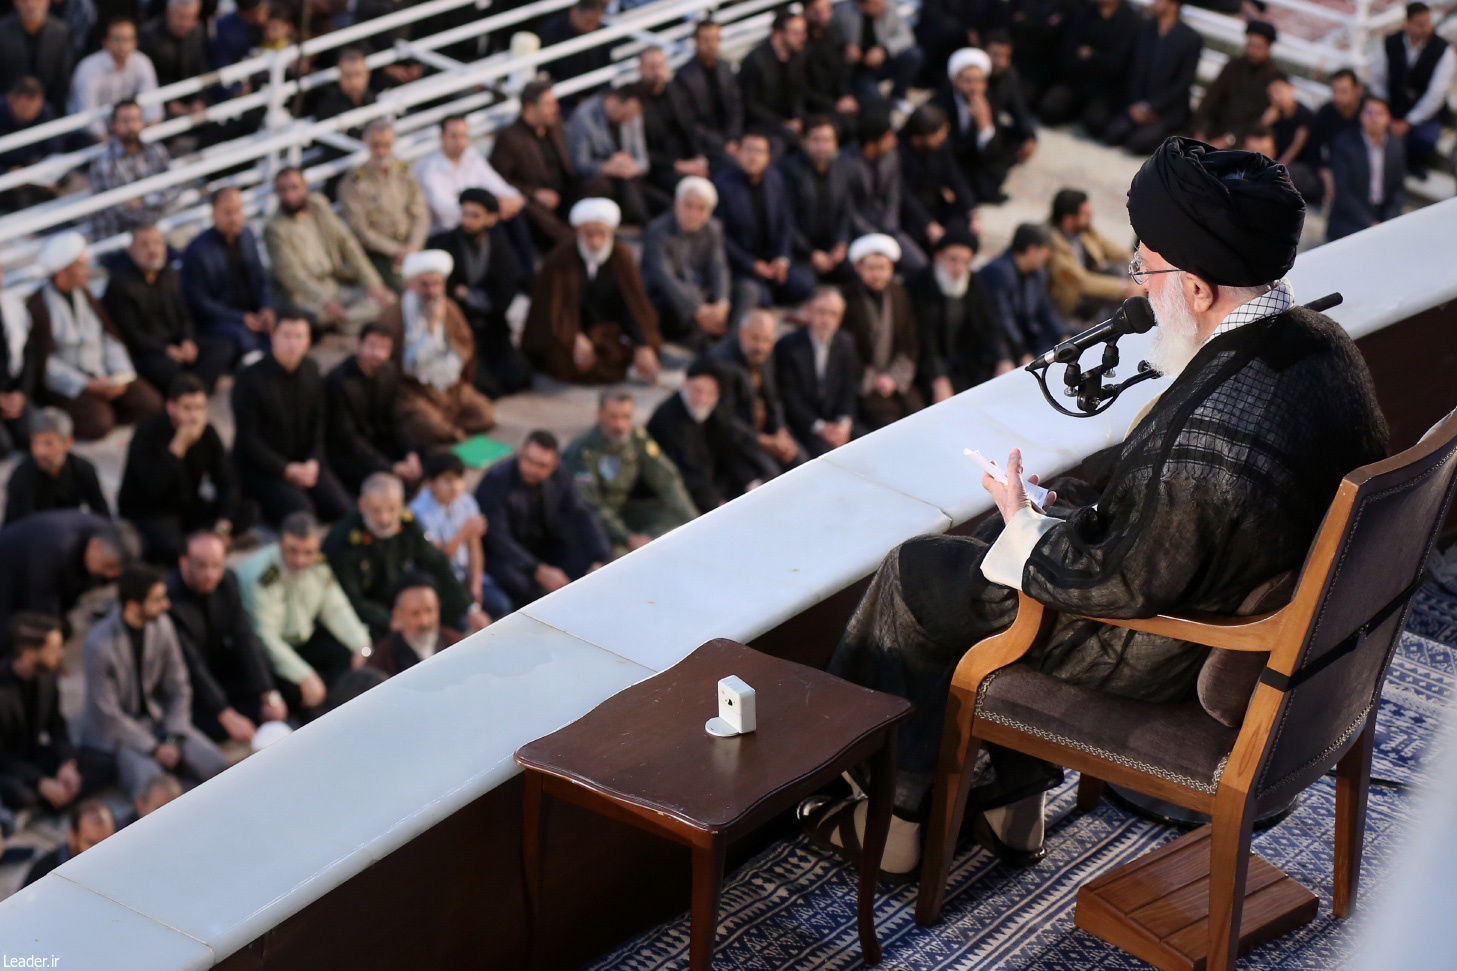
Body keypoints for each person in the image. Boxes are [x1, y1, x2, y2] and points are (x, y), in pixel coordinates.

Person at [801, 136, 1387, 876]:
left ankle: (895, 816)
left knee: (916, 573)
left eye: (1145, 266)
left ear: (1198, 290)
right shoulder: (1326, 347)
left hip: (1165, 651)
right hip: (1267, 624)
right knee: (1002, 533)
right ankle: (1009, 802)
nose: (1137, 283)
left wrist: (1027, 524)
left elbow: (1119, 583)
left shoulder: (1206, 437)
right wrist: (1045, 514)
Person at [79, 564, 228, 799]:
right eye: (157, 599)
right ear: (133, 605)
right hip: (122, 735)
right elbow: (107, 712)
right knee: (154, 790)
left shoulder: (163, 626)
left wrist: (173, 738)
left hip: (161, 721)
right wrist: (154, 747)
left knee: (217, 766)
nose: (166, 605)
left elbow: (179, 686)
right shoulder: (99, 644)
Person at [28, 232, 163, 441]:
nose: (88, 271)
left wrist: (120, 374)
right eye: (82, 265)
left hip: (104, 373)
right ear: (64, 271)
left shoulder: (85, 294)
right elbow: (45, 363)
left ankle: (107, 406)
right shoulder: (39, 306)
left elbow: (108, 338)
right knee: (99, 422)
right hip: (71, 386)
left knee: (150, 403)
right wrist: (87, 384)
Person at [236, 512, 373, 718]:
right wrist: (304, 675)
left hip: (301, 640)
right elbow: (266, 638)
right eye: (292, 551)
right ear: (280, 543)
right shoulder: (263, 575)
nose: (300, 560)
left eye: (308, 552)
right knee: (301, 691)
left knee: (348, 658)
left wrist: (360, 644)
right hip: (264, 653)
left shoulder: (318, 565)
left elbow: (336, 609)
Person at [324, 473, 486, 638]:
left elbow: (436, 563)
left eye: (392, 509)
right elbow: (350, 598)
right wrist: (391, 621)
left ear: (401, 504)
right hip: (368, 616)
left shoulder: (407, 523)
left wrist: (470, 608)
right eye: (376, 510)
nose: (385, 518)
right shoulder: (343, 541)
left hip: (401, 603)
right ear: (362, 505)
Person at [522, 198, 663, 385]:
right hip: (568, 332)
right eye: (589, 235)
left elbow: (634, 305)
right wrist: (574, 337)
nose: (595, 242)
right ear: (579, 232)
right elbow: (550, 310)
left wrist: (642, 344)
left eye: (601, 234)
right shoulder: (561, 257)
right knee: (565, 360)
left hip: (607, 330)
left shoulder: (621, 256)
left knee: (621, 353)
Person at [230, 315, 352, 526]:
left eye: (299, 336)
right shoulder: (249, 378)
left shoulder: (312, 370)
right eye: (286, 336)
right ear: (273, 337)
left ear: (308, 340)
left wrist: (313, 461)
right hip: (264, 468)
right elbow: (247, 439)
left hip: (304, 462)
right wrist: (286, 469)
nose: (292, 343)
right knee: (302, 515)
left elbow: (319, 424)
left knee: (340, 508)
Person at [167, 531, 285, 744]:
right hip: (191, 686)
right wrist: (224, 712)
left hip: (221, 671)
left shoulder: (227, 581)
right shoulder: (170, 599)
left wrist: (268, 693)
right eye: (201, 566)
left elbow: (245, 638)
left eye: (216, 566)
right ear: (184, 563)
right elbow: (191, 664)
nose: (210, 574)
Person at [119, 375, 250, 562]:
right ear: (171, 407)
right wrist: (178, 446)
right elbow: (152, 488)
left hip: (186, 505)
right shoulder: (147, 434)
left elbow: (226, 481)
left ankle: (210, 540)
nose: (194, 416)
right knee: (170, 546)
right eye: (187, 408)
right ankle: (202, 546)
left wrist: (222, 525)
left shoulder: (207, 432)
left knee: (248, 509)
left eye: (200, 408)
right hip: (150, 511)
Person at [475, 431, 609, 606]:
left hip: (542, 545)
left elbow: (580, 513)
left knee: (584, 559)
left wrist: (601, 557)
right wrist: (537, 569)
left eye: (541, 465)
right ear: (521, 453)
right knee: (520, 584)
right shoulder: (496, 481)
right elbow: (497, 538)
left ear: (553, 465)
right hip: (506, 555)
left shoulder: (559, 474)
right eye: (528, 460)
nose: (532, 469)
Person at [380, 250, 496, 447]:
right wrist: (431, 329)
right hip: (413, 390)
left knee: (485, 414)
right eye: (425, 285)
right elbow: (405, 365)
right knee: (430, 428)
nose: (432, 291)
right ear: (411, 285)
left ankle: (446, 425)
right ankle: (446, 431)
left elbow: (465, 344)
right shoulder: (394, 314)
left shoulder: (449, 308)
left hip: (450, 387)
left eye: (437, 284)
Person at [427, 188, 532, 398]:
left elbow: (506, 287)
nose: (467, 221)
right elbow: (447, 290)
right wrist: (472, 296)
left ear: (491, 219)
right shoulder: (445, 244)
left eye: (475, 216)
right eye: (465, 214)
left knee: (519, 377)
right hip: (460, 324)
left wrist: (469, 294)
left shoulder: (499, 245)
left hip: (492, 323)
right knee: (483, 385)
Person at [565, 391, 698, 556]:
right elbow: (590, 506)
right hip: (594, 525)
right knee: (619, 557)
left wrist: (695, 521)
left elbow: (666, 479)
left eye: (626, 417)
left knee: (675, 517)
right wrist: (627, 537)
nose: (620, 425)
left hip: (624, 511)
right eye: (613, 417)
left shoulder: (637, 439)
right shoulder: (582, 451)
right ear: (599, 415)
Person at [264, 167, 395, 335]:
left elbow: (347, 243)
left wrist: (373, 284)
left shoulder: (318, 206)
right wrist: (324, 300)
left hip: (335, 284)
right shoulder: (274, 228)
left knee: (386, 300)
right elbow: (292, 276)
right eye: (283, 190)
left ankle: (347, 320)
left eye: (294, 187)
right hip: (306, 296)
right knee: (320, 316)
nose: (289, 195)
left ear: (305, 186)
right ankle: (348, 321)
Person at [103, 224, 231, 394]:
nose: (152, 250)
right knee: (166, 368)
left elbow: (184, 315)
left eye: (157, 243)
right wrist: (166, 350)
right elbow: (132, 334)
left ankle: (193, 393)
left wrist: (187, 341)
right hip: (148, 352)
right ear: (132, 250)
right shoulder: (119, 283)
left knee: (222, 348)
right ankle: (187, 395)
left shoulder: (169, 274)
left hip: (177, 344)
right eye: (144, 245)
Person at [647, 359, 777, 513]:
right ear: (685, 385)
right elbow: (686, 474)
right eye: (697, 391)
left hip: (713, 484)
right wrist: (717, 504)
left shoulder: (713, 411)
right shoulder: (668, 419)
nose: (702, 399)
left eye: (709, 394)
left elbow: (730, 450)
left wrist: (750, 481)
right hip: (682, 494)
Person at [0, 614, 93, 814]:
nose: (61, 654)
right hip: (7, 764)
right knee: (21, 794)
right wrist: (40, 782)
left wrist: (67, 764)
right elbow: (3, 757)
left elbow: (57, 725)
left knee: (93, 762)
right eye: (53, 649)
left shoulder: (48, 675)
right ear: (28, 654)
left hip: (33, 753)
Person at [910, 228, 1016, 402]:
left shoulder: (974, 282)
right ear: (938, 257)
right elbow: (923, 339)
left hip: (967, 367)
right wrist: (938, 377)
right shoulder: (919, 285)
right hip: (929, 370)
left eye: (965, 262)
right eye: (953, 260)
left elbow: (991, 325)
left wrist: (1003, 358)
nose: (959, 268)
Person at [713, 131, 815, 311]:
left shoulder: (775, 179)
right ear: (738, 153)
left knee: (805, 284)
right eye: (748, 150)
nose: (753, 157)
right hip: (741, 264)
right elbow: (720, 237)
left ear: (767, 157)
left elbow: (785, 223)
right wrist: (751, 264)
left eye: (759, 151)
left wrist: (782, 258)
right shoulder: (722, 185)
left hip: (773, 260)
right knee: (761, 297)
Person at [410, 452, 512, 621]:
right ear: (430, 483)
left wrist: (476, 585)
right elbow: (438, 560)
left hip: (466, 575)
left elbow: (475, 547)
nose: (456, 486)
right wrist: (463, 533)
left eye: (459, 479)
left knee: (501, 605)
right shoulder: (418, 512)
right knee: (465, 623)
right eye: (448, 480)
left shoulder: (465, 501)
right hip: (441, 583)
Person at [181, 187, 277, 366]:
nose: (234, 218)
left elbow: (261, 279)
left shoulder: (247, 235)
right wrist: (241, 318)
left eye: (238, 211)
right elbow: (200, 303)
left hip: (252, 313)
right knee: (245, 338)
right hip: (219, 321)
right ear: (214, 214)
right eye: (227, 213)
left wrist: (266, 307)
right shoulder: (197, 250)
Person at [699, 309, 803, 474]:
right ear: (742, 333)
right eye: (755, 338)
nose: (760, 346)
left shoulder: (765, 355)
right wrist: (765, 441)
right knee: (771, 474)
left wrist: (780, 431)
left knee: (800, 460)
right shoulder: (720, 363)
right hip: (734, 441)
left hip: (762, 430)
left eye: (766, 340)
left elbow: (773, 398)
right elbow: (725, 420)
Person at [324, 323, 420, 496]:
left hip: (377, 442)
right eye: (372, 346)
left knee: (424, 464)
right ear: (359, 345)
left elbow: (395, 419)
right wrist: (389, 466)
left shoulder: (389, 371)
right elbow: (346, 438)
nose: (377, 353)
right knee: (384, 485)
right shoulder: (337, 381)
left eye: (384, 348)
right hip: (348, 452)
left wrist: (410, 453)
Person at [0, 511, 127, 642]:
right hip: (9, 562)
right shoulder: (57, 549)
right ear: (96, 546)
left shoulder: (107, 535)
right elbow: (41, 608)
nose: (110, 574)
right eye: (109, 566)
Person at [640, 176, 737, 345]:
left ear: (709, 211)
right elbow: (664, 277)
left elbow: (718, 267)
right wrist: (698, 309)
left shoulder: (713, 229)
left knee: (747, 289)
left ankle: (730, 336)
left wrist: (722, 303)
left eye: (701, 208)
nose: (693, 214)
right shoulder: (657, 230)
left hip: (702, 295)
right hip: (671, 299)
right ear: (676, 204)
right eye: (688, 205)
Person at [339, 120, 431, 293]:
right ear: (366, 143)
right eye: (376, 146)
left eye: (386, 145)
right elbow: (361, 230)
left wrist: (414, 246)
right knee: (408, 291)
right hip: (380, 255)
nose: (381, 152)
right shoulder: (354, 182)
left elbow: (420, 213)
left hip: (411, 246)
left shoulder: (404, 172)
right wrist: (396, 251)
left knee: (434, 284)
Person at [841, 234, 922, 430]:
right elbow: (845, 347)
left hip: (895, 377)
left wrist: (893, 377)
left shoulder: (899, 294)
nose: (877, 274)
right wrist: (873, 379)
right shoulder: (847, 297)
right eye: (871, 268)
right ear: (858, 268)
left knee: (918, 414)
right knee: (885, 420)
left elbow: (910, 340)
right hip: (864, 380)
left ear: (891, 268)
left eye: (882, 268)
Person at [1103, 0, 1202, 155]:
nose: (1155, 3)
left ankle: (1173, 135)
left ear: (1173, 6)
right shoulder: (1145, 27)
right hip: (1137, 103)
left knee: (1138, 143)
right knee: (1112, 134)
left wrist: (1152, 107)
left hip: (1165, 110)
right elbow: (1132, 68)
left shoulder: (1191, 38)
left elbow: (1183, 83)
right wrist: (1138, 105)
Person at [489, 80, 578, 251]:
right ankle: (573, 245)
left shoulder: (555, 126)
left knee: (595, 184)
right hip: (535, 201)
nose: (556, 109)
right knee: (532, 211)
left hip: (565, 192)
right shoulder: (509, 138)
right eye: (549, 104)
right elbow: (499, 181)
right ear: (530, 107)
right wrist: (535, 194)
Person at [774, 287, 861, 457]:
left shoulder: (846, 343)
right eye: (821, 312)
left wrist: (843, 424)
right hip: (804, 425)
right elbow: (790, 397)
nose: (826, 320)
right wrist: (821, 427)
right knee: (826, 456)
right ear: (809, 312)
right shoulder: (788, 346)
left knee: (867, 446)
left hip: (836, 422)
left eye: (833, 314)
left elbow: (849, 388)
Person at [1370, 1, 1454, 175]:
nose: (1427, 28)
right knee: (1374, 123)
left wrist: (1408, 121)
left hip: (1425, 112)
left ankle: (1411, 164)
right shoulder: (1389, 43)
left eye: (1428, 23)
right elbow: (1377, 79)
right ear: (1407, 23)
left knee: (1426, 138)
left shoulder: (1444, 51)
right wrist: (1384, 110)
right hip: (1393, 105)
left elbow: (1436, 94)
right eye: (1420, 24)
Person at [567, 82, 664, 227]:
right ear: (614, 101)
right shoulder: (584, 117)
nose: (629, 120)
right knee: (624, 188)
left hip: (629, 178)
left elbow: (643, 160)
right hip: (600, 178)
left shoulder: (633, 116)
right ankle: (644, 224)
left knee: (656, 197)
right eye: (626, 115)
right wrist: (608, 167)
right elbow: (580, 163)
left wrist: (631, 167)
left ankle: (648, 223)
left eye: (632, 116)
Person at [414, 114, 526, 237]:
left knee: (514, 217)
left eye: (463, 136)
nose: (459, 142)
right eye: (454, 136)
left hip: (478, 222)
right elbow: (446, 213)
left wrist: (507, 202)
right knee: (494, 227)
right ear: (442, 137)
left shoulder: (472, 157)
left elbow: (502, 188)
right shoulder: (430, 168)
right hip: (447, 233)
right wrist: (488, 210)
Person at [1038, 0, 1139, 133]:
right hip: (1076, 79)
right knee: (1049, 110)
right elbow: (1070, 47)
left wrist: (1092, 55)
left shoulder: (1131, 20)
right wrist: (1096, 57)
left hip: (1104, 89)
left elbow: (1118, 62)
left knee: (1096, 123)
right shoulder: (1085, 10)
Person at [87, 100, 178, 243]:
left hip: (155, 231)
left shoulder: (156, 150)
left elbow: (173, 190)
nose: (131, 126)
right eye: (125, 121)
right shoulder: (103, 162)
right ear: (113, 125)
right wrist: (155, 200)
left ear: (142, 122)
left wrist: (144, 200)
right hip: (121, 239)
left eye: (135, 120)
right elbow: (119, 210)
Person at [778, 116, 855, 284]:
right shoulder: (788, 170)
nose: (822, 146)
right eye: (816, 140)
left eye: (827, 140)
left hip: (833, 249)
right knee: (803, 284)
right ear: (804, 141)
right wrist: (811, 253)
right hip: (799, 252)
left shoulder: (843, 168)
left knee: (858, 272)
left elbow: (846, 211)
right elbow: (786, 220)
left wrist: (841, 243)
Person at [897, 104, 977, 260]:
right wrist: (927, 224)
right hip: (909, 214)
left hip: (934, 203)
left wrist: (972, 210)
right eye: (937, 134)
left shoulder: (940, 146)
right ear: (919, 137)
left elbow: (954, 177)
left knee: (963, 226)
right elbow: (904, 194)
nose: (943, 137)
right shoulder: (898, 152)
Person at [4, 407, 108, 526]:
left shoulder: (83, 469)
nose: (39, 451)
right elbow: (16, 528)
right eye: (35, 442)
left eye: (48, 444)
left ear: (67, 442)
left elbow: (102, 515)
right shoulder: (21, 477)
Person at [933, 48, 1010, 205]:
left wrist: (985, 126)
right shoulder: (940, 103)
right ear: (956, 81)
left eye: (979, 81)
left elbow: (992, 150)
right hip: (949, 160)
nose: (974, 87)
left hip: (971, 162)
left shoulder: (987, 101)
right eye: (968, 81)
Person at [1189, 20, 1282, 149]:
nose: (1252, 51)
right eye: (1250, 45)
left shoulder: (1274, 77)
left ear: (1268, 47)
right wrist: (1201, 131)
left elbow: (1261, 121)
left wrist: (1229, 140)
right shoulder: (1234, 66)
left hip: (1244, 141)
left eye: (1258, 47)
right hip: (1213, 132)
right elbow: (1210, 100)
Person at [979, 223, 1065, 360]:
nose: (1047, 256)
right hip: (1005, 346)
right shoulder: (998, 272)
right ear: (1031, 250)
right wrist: (1022, 352)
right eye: (1045, 251)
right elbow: (1003, 318)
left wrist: (1062, 335)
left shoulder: (1038, 273)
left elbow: (1046, 308)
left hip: (1030, 338)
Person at [1046, 188, 1136, 320]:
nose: (1091, 216)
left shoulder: (1084, 231)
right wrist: (1125, 288)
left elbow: (1112, 249)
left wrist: (1139, 264)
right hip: (1073, 301)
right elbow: (1080, 281)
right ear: (1068, 219)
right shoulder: (1053, 244)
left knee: (1120, 271)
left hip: (1091, 286)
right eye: (1085, 214)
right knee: (1119, 291)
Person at [1326, 96, 1407, 242]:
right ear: (1361, 116)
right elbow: (1343, 192)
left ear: (1388, 118)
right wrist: (1370, 223)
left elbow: (1398, 190)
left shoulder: (1395, 147)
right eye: (1369, 113)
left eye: (1380, 113)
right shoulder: (1344, 144)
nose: (1374, 118)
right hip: (1350, 217)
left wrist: (1389, 220)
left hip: (1382, 214)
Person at [69, 16, 161, 137]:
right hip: (89, 134)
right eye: (118, 39)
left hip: (129, 131)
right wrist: (110, 143)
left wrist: (142, 137)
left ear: (135, 43)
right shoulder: (89, 68)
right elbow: (87, 114)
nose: (123, 45)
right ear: (105, 42)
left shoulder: (142, 62)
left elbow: (153, 109)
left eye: (128, 39)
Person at [637, 46, 708, 198]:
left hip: (689, 159)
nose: (657, 72)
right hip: (659, 168)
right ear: (641, 69)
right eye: (652, 67)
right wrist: (677, 165)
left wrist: (699, 158)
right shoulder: (634, 101)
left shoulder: (677, 91)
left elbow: (692, 127)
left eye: (660, 66)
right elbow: (640, 149)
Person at [672, 18, 743, 162]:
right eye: (706, 40)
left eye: (715, 39)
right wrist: (723, 144)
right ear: (696, 42)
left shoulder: (726, 68)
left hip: (734, 139)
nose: (711, 45)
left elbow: (736, 107)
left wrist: (733, 138)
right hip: (704, 146)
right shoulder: (683, 75)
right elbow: (688, 121)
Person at [833, 0, 924, 110]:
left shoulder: (889, 8)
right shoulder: (842, 13)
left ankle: (898, 96)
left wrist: (884, 49)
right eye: (876, 4)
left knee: (913, 55)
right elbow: (830, 40)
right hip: (858, 71)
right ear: (861, 5)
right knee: (878, 105)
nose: (882, 6)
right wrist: (844, 49)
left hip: (882, 62)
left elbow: (907, 37)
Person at [738, 7, 808, 144]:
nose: (803, 37)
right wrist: (782, 123)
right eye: (796, 33)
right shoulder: (754, 61)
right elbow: (750, 105)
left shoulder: (797, 57)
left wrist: (798, 119)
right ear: (778, 34)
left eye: (802, 32)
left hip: (789, 122)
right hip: (763, 126)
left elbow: (798, 94)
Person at [368, 578, 461, 677]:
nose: (424, 621)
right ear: (398, 614)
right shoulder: (383, 658)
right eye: (415, 614)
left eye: (429, 610)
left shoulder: (456, 643)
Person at [0, 0, 75, 117]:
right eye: (25, 1)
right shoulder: (2, 31)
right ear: (16, 2)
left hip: (48, 109)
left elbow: (62, 80)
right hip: (6, 108)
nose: (31, 5)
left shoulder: (60, 32)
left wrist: (39, 104)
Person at [0, 76, 64, 210]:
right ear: (12, 98)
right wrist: (6, 172)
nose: (30, 114)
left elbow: (53, 148)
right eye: (25, 108)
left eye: (35, 109)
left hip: (33, 171)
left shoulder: (44, 111)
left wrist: (47, 171)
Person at [0, 260, 43, 458]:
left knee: (32, 438)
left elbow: (28, 354)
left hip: (13, 392)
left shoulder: (13, 306)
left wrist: (21, 394)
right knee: (3, 448)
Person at [1261, 76, 1325, 205]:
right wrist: (1265, 123)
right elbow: (1258, 142)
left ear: (1291, 89)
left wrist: (1275, 169)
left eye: (1279, 91)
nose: (1275, 97)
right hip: (1280, 164)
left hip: (1304, 168)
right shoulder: (1275, 114)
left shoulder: (1304, 115)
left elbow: (1294, 149)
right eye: (1271, 94)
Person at [22, 800, 114, 888]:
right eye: (92, 844)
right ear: (73, 836)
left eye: (108, 841)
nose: (101, 852)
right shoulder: (43, 875)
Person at [538, 0, 612, 105]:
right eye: (588, 21)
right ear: (574, 12)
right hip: (562, 100)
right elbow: (545, 72)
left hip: (596, 98)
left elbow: (606, 68)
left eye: (595, 22)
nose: (591, 27)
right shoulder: (552, 31)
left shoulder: (600, 32)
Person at [141, 0, 207, 117]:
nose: (185, 23)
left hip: (192, 98)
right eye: (181, 17)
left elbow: (201, 68)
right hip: (160, 102)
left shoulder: (198, 30)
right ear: (169, 12)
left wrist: (199, 99)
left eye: (191, 17)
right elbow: (148, 79)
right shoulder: (149, 35)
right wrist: (168, 104)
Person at [802, 0, 858, 124]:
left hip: (838, 98)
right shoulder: (801, 44)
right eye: (817, 11)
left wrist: (845, 95)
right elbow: (803, 89)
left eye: (827, 10)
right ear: (806, 12)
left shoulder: (830, 33)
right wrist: (834, 105)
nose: (824, 16)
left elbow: (840, 70)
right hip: (817, 107)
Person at [310, 46, 374, 123]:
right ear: (340, 77)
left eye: (358, 74)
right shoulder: (328, 108)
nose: (353, 81)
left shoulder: (373, 100)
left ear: (367, 75)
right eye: (347, 75)